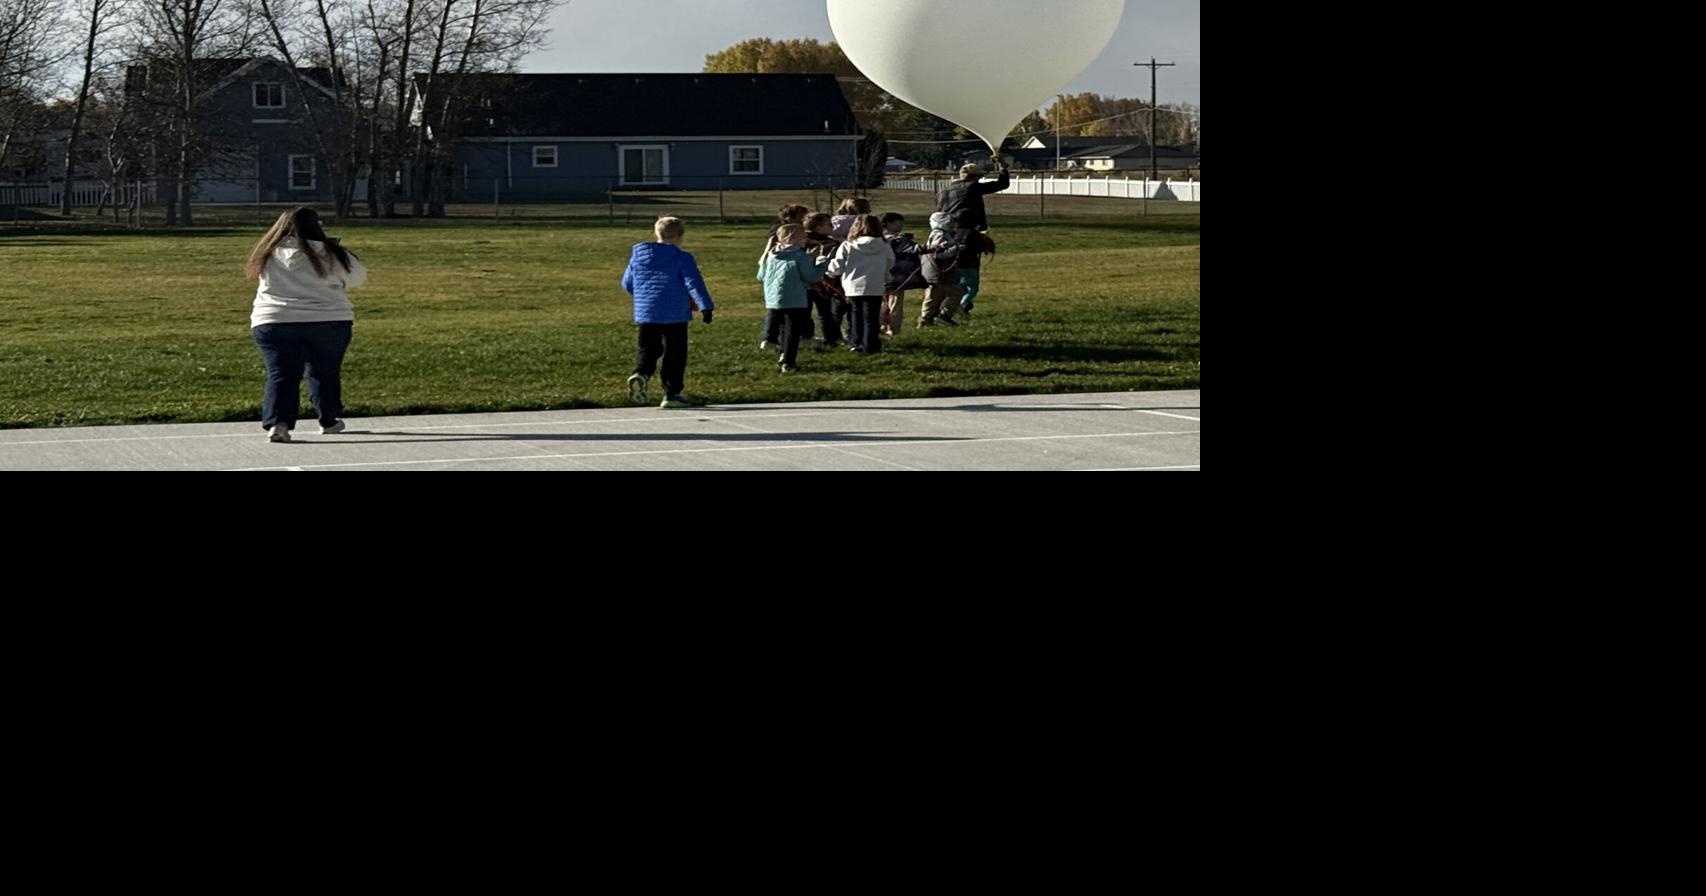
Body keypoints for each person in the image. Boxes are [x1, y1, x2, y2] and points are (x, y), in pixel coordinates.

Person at [245, 206, 367, 443]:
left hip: (275, 320)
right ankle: (328, 419)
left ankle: (279, 423)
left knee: (281, 373)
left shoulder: (267, 253)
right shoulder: (333, 253)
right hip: (329, 319)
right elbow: (357, 277)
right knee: (325, 372)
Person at [622, 216, 714, 409]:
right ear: (679, 236)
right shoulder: (682, 258)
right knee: (675, 353)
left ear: (656, 233)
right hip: (676, 313)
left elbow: (628, 283)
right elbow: (693, 283)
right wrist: (705, 306)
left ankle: (641, 373)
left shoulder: (638, 256)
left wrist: (643, 297)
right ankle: (672, 393)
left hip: (647, 312)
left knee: (647, 347)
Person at [757, 223, 833, 373]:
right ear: (795, 238)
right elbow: (811, 277)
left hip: (773, 299)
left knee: (782, 328)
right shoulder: (800, 256)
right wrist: (822, 262)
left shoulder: (771, 255)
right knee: (792, 331)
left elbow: (761, 276)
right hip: (795, 298)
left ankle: (782, 354)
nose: (806, 239)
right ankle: (788, 362)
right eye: (803, 236)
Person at [827, 215, 896, 355]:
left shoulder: (848, 245)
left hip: (853, 285)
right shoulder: (884, 246)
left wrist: (829, 269)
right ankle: (870, 345)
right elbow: (890, 262)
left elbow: (838, 265)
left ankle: (855, 342)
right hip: (874, 284)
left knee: (855, 315)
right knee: (871, 317)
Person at [934, 160, 1011, 233]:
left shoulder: (942, 192)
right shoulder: (973, 187)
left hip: (943, 230)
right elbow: (1002, 184)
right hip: (965, 229)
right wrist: (1002, 168)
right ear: (975, 177)